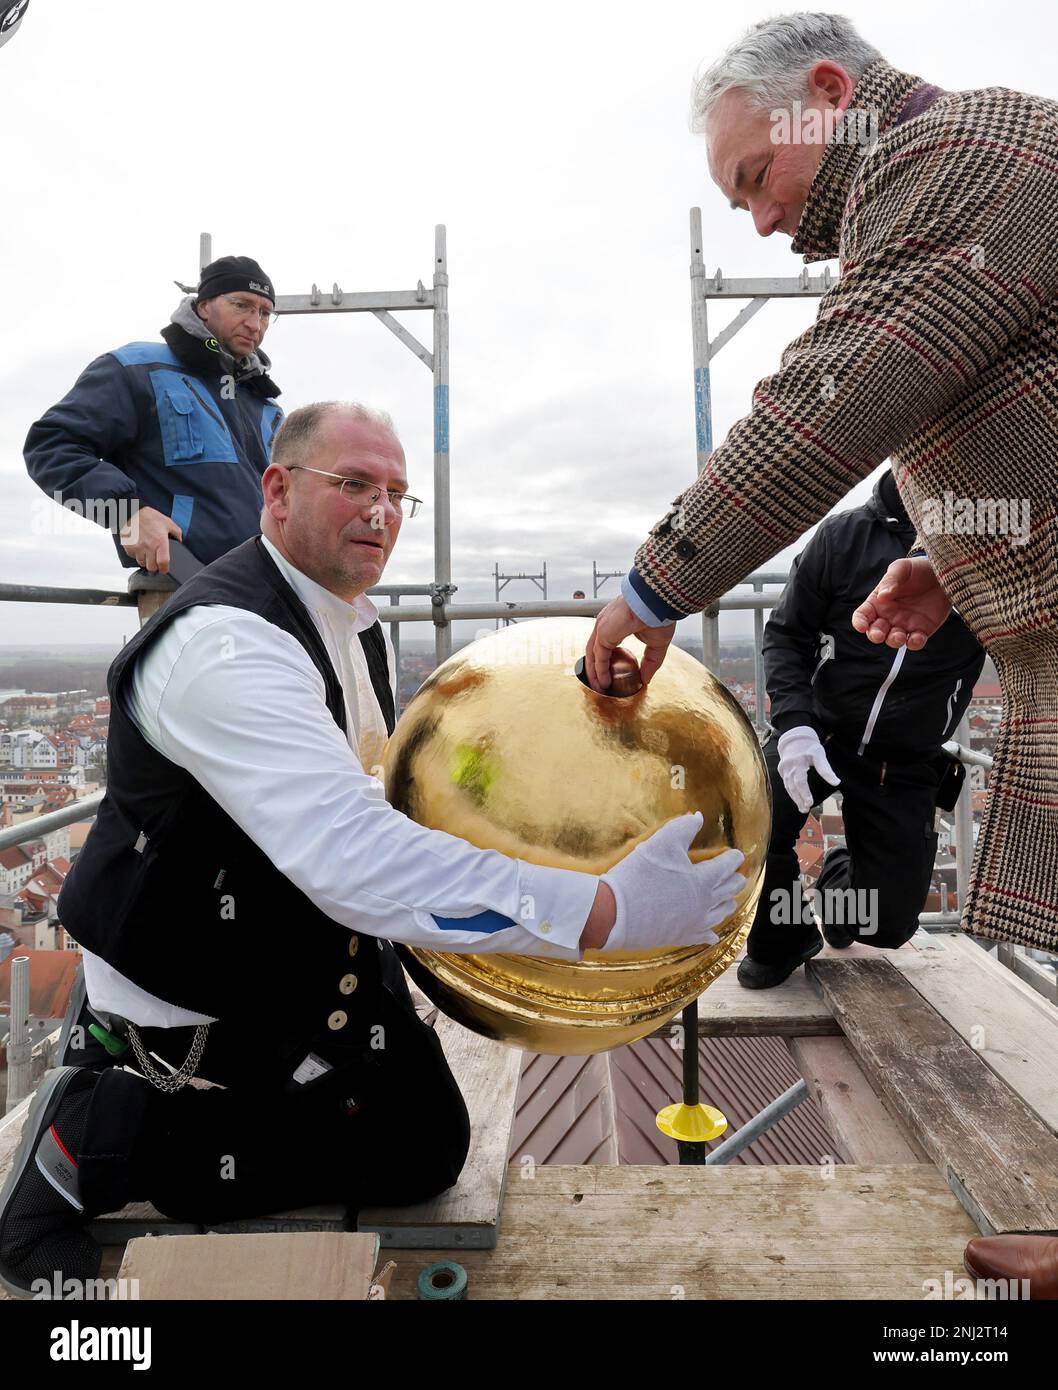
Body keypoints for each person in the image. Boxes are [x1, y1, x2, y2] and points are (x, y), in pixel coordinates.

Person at [0, 402, 745, 1299]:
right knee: (334, 1163)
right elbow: (353, 858)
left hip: (295, 946)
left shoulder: (349, 623)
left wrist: (580, 699)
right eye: (353, 484)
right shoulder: (226, 646)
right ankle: (91, 1135)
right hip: (196, 986)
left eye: (397, 494)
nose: (382, 512)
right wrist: (606, 911)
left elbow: (399, 783)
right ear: (277, 491)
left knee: (421, 1142)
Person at [584, 8, 1058, 1299]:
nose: (756, 221)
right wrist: (947, 554)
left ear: (829, 95)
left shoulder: (953, 157)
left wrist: (652, 584)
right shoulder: (955, 167)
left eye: (754, 178)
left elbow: (836, 398)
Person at [738, 469, 984, 989]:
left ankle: (835, 877)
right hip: (822, 735)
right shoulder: (843, 536)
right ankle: (786, 938)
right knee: (747, 825)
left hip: (905, 761)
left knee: (885, 925)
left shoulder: (992, 553)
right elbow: (787, 635)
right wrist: (795, 728)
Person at [24, 255, 284, 577]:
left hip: (270, 587)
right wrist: (126, 514)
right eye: (242, 305)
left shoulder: (266, 405)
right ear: (204, 306)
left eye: (265, 312)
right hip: (181, 585)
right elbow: (50, 447)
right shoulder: (137, 369)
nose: (255, 324)